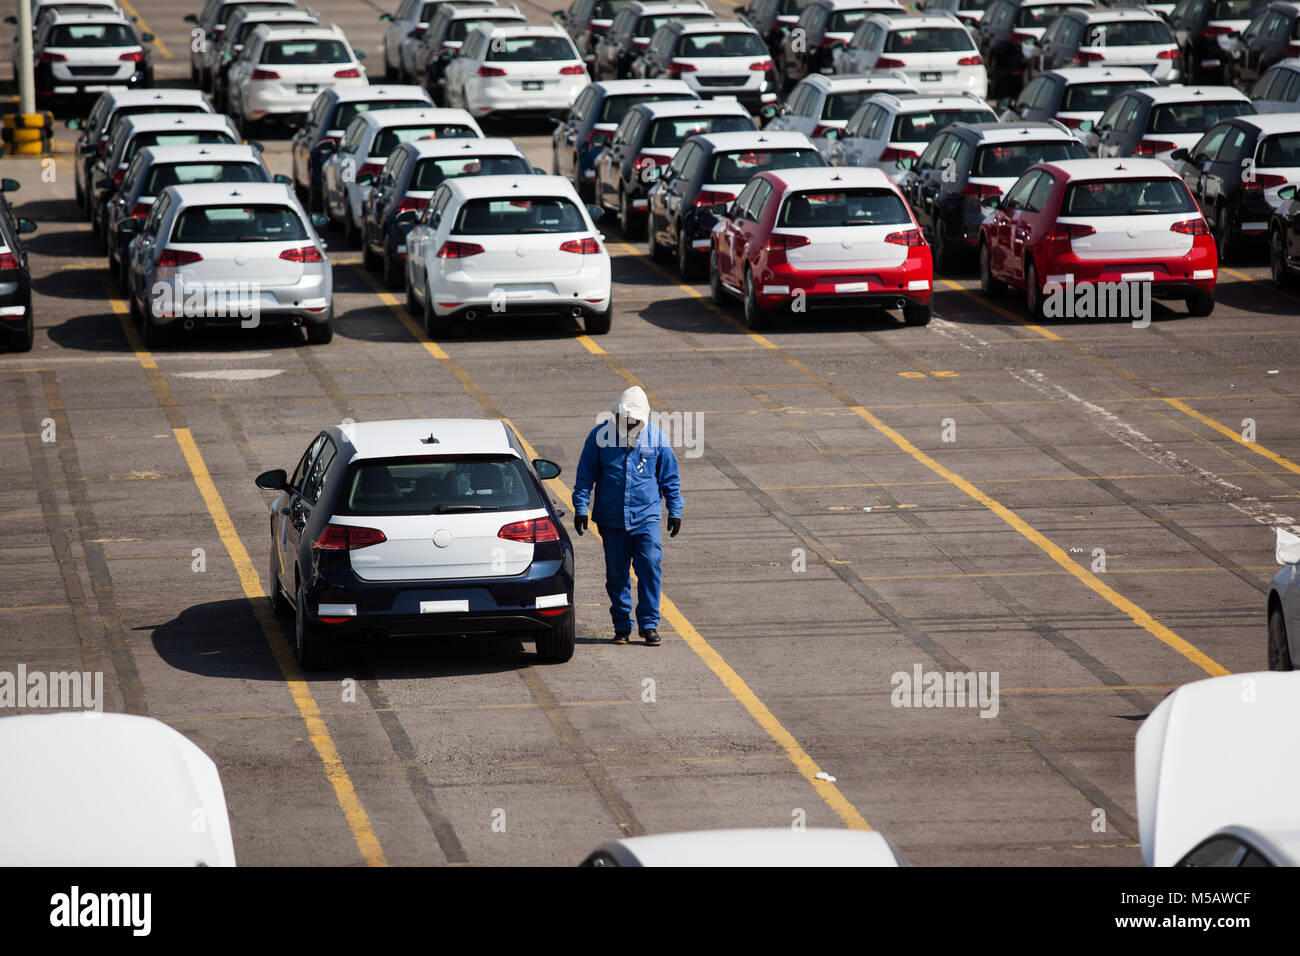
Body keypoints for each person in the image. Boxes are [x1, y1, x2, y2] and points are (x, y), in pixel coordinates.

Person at [572, 386, 683, 646]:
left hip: (646, 518)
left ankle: (649, 625)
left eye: (633, 420)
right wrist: (580, 508)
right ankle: (621, 626)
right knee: (617, 574)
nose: (628, 423)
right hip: (612, 521)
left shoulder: (656, 439)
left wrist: (674, 510)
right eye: (624, 419)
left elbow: (670, 478)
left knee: (650, 567)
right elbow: (585, 475)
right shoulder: (599, 437)